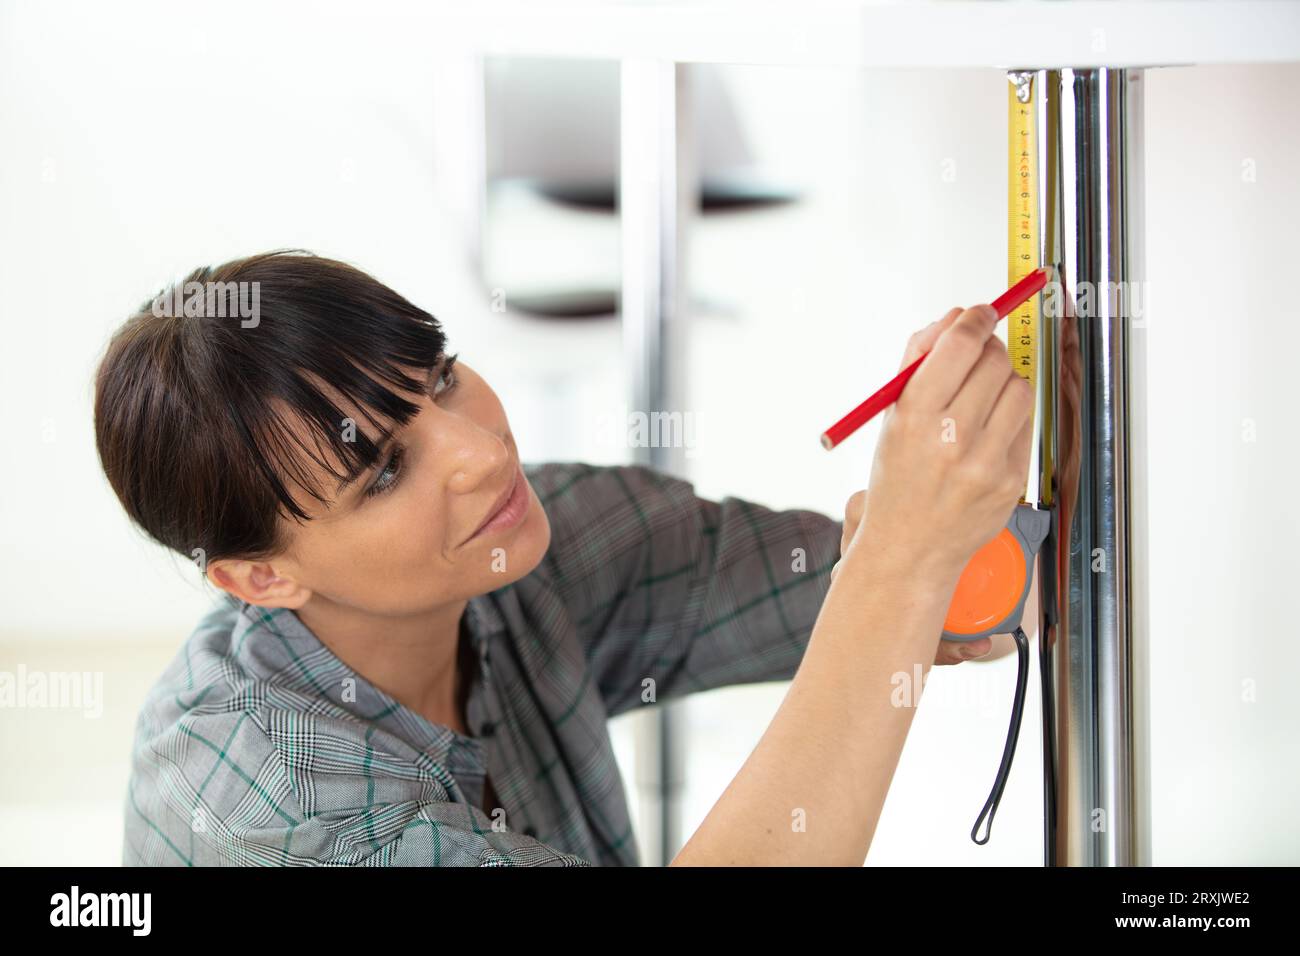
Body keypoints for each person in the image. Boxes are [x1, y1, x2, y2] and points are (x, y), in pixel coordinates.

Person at [94, 249, 1033, 866]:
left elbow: (889, 585)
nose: (482, 452)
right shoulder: (278, 811)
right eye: (384, 472)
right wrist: (903, 564)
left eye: (444, 380)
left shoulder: (519, 547)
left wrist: (945, 526)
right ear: (261, 578)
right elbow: (891, 581)